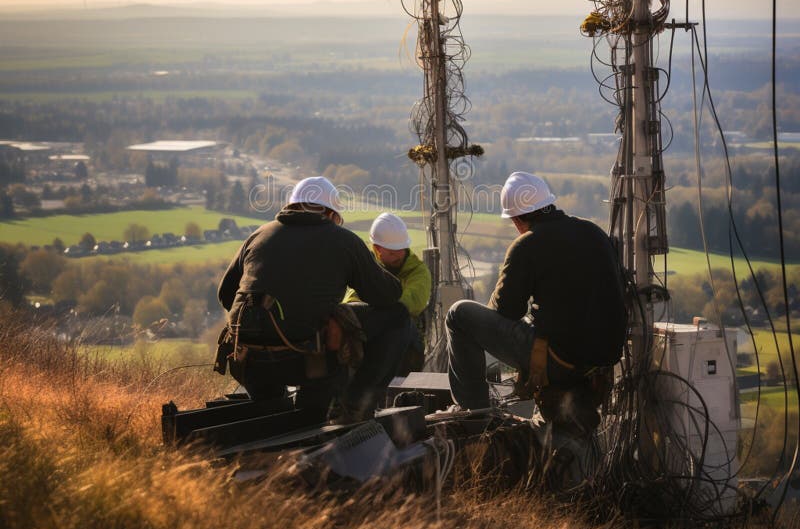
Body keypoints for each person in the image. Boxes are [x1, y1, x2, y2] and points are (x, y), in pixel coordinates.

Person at [445, 171, 626, 430]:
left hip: (560, 360)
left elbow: (507, 310)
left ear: (517, 218)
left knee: (459, 315)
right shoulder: (593, 232)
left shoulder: (527, 244)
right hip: (600, 362)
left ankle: (474, 415)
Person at [214, 176, 402, 417]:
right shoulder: (342, 240)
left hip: (248, 363)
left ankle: (270, 401)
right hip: (309, 364)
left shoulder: (259, 235)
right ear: (331, 213)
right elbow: (387, 295)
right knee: (397, 316)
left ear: (292, 206)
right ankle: (357, 406)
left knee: (271, 403)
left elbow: (226, 294)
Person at [344, 212, 432, 411]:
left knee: (399, 318)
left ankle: (365, 399)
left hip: (409, 346)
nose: (398, 255)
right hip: (372, 340)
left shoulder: (418, 272)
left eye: (401, 250)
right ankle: (354, 401)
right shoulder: (366, 269)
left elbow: (412, 303)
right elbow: (351, 302)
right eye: (392, 252)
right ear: (376, 249)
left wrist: (376, 309)